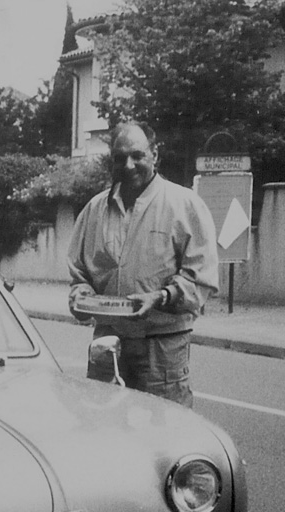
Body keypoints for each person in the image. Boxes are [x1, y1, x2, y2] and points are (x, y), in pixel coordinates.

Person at [67, 121, 219, 407]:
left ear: (155, 155)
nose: (129, 165)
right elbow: (79, 273)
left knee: (165, 436)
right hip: (108, 343)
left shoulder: (184, 205)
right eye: (119, 157)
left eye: (137, 155)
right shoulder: (94, 211)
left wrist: (162, 296)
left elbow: (202, 277)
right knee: (104, 427)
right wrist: (81, 294)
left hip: (162, 347)